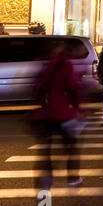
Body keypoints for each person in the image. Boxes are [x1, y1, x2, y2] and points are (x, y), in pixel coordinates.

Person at [32, 38, 84, 189]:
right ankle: (73, 178)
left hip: (47, 113)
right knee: (72, 146)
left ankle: (45, 181)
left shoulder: (47, 64)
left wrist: (43, 104)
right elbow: (72, 87)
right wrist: (78, 108)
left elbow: (40, 88)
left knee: (47, 149)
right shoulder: (65, 64)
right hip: (62, 113)